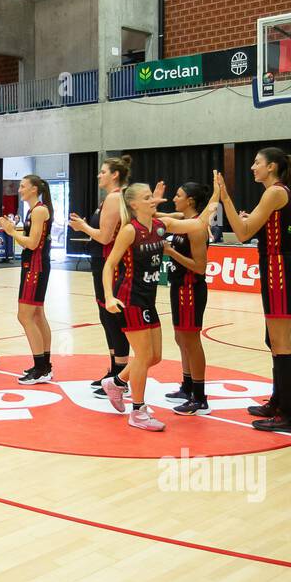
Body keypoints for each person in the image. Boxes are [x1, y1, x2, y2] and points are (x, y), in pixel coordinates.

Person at [214, 148, 291, 434]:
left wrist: (225, 197)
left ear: (272, 167)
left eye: (257, 163)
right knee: (273, 340)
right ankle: (277, 403)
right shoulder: (284, 192)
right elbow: (262, 226)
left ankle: (287, 415)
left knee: (281, 344)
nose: (252, 167)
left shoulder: (274, 193)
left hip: (282, 268)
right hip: (282, 267)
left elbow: (242, 233)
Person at [100, 183, 207, 430]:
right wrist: (108, 296)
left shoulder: (161, 226)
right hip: (129, 297)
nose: (153, 200)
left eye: (152, 196)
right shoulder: (130, 230)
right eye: (147, 197)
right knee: (144, 355)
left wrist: (213, 201)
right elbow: (109, 265)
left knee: (155, 357)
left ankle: (115, 382)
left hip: (148, 298)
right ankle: (138, 411)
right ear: (134, 204)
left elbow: (196, 224)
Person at [68, 156, 132, 392]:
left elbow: (105, 237)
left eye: (103, 171)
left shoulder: (115, 197)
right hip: (102, 262)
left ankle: (120, 375)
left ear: (115, 175)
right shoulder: (110, 198)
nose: (99, 175)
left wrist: (83, 227)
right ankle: (114, 370)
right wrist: (86, 226)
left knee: (114, 318)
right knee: (107, 318)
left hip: (111, 264)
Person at [161, 181, 219, 415]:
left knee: (192, 341)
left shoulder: (196, 227)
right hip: (177, 286)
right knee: (180, 338)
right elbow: (162, 217)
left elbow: (200, 267)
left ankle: (199, 396)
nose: (175, 198)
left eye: (178, 195)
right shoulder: (184, 222)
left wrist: (171, 252)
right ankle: (186, 385)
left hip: (191, 289)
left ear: (190, 201)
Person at [0, 175, 53, 384]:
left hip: (35, 267)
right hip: (34, 266)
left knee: (25, 316)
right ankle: (45, 366)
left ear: (34, 189)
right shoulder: (35, 210)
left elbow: (32, 243)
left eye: (22, 186)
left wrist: (10, 231)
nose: (19, 190)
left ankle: (40, 367)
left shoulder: (39, 210)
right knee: (37, 315)